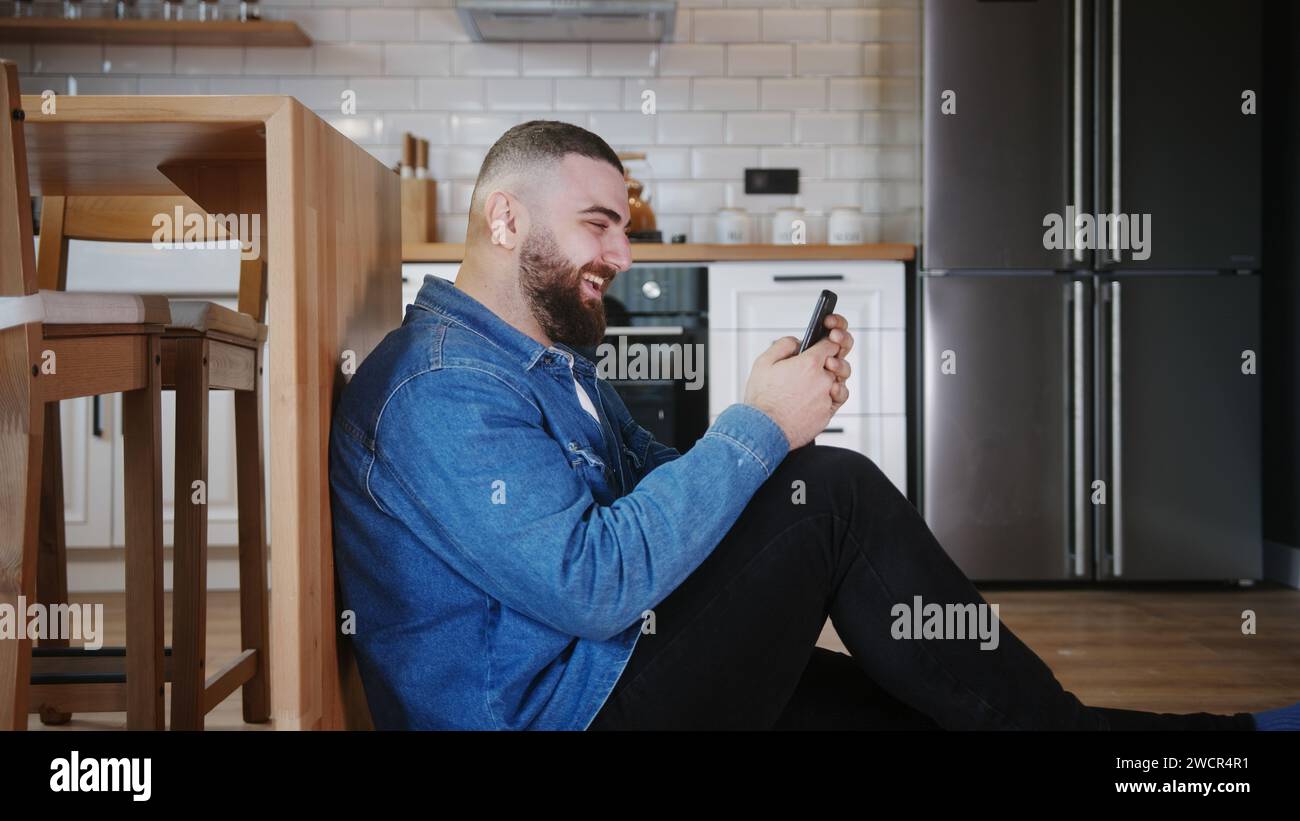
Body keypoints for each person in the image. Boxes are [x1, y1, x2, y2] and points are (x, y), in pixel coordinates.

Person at [328, 120, 1298, 731]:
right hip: (561, 704)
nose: (623, 252)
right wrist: (760, 429)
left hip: (606, 665)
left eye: (625, 226)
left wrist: (762, 405)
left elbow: (652, 481)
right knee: (827, 493)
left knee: (916, 704)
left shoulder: (536, 359)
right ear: (504, 220)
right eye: (598, 223)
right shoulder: (440, 388)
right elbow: (589, 583)